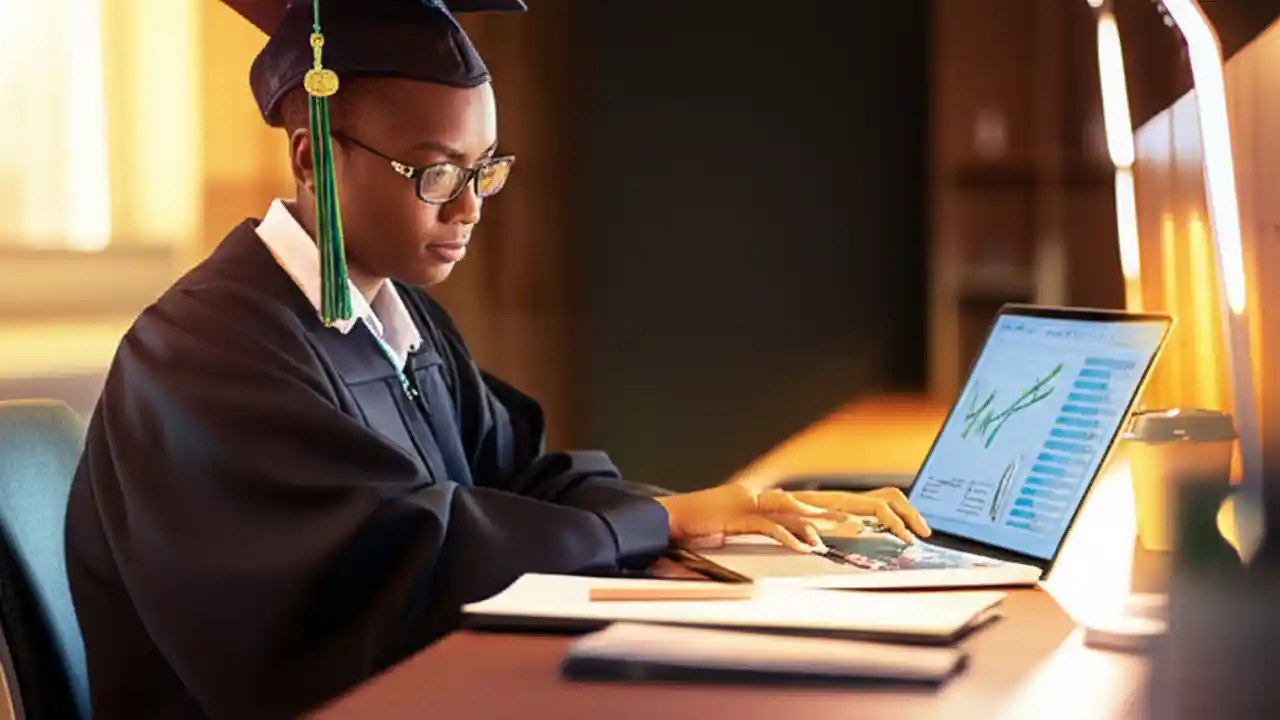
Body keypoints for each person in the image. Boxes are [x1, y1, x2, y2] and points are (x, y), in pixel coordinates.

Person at [64, 0, 930, 716]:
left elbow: (521, 478)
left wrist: (719, 517)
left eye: (486, 170)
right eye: (436, 173)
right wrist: (656, 527)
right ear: (310, 157)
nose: (471, 209)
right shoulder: (202, 355)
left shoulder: (399, 324)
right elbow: (403, 567)